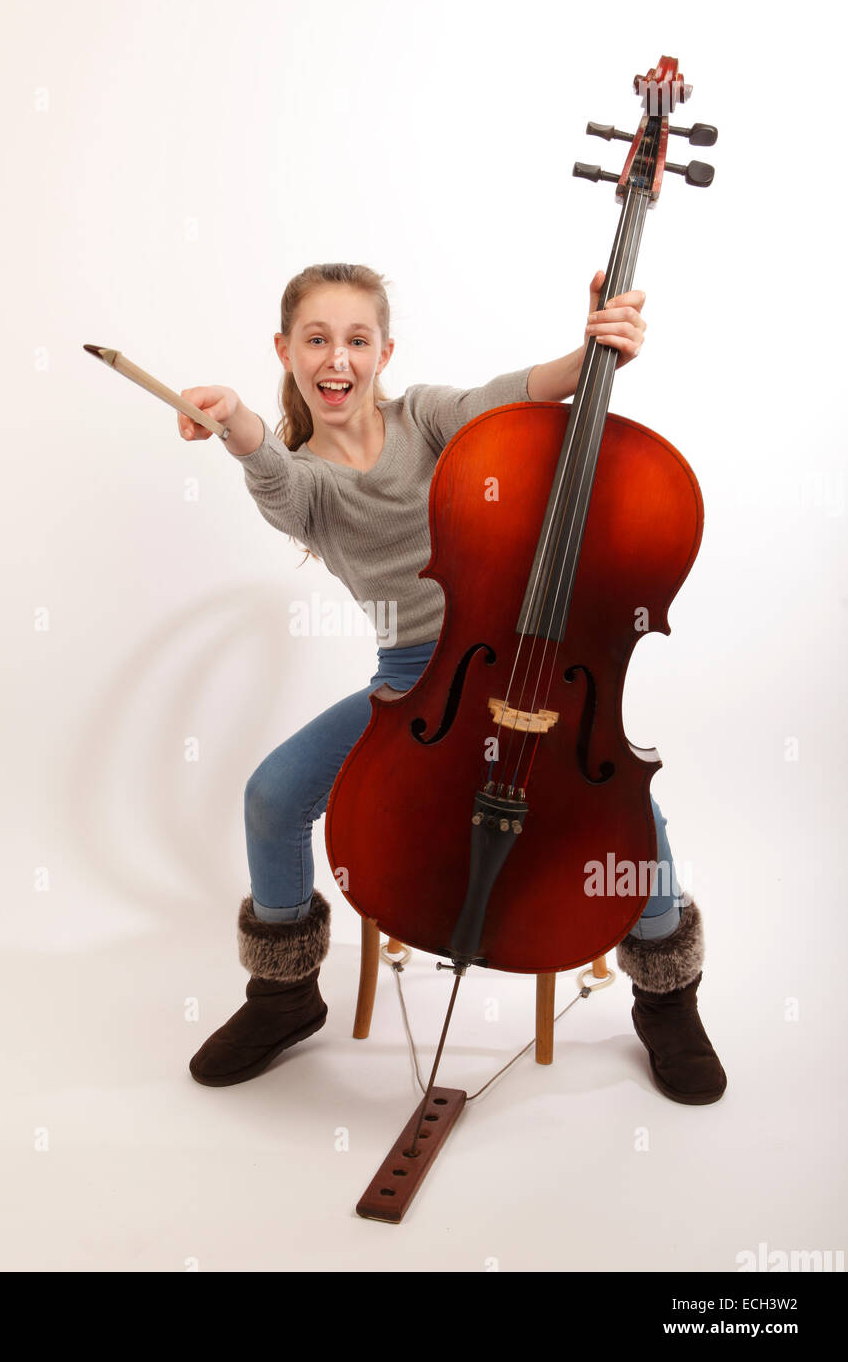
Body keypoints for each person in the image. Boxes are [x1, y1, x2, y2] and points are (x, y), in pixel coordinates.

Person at [177, 262, 726, 1106]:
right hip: (413, 685)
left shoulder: (427, 416)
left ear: (383, 350)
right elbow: (276, 479)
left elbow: (523, 393)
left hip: (521, 656)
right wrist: (240, 425)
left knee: (627, 809)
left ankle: (667, 997)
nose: (338, 358)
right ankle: (284, 994)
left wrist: (594, 344)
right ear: (285, 351)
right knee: (272, 795)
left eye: (357, 340)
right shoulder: (311, 483)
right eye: (316, 340)